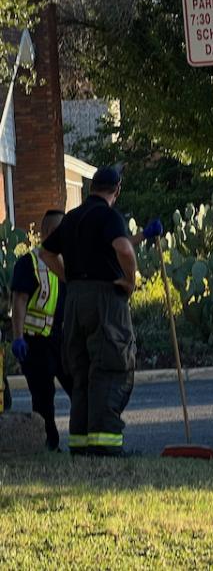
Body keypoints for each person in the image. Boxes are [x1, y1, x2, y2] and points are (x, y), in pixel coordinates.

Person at [38, 167, 163, 456]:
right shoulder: (109, 217)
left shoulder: (72, 218)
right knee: (109, 367)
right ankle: (106, 446)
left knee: (81, 372)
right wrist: (129, 281)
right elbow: (122, 249)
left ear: (91, 187)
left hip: (75, 302)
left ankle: (81, 444)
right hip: (106, 301)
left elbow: (46, 253)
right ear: (117, 189)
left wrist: (68, 279)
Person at [11, 210, 73, 450]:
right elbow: (19, 299)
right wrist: (18, 338)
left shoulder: (65, 262)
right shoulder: (29, 263)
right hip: (34, 342)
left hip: (60, 339)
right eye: (62, 232)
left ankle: (83, 440)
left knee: (78, 388)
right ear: (49, 232)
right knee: (44, 397)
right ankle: (49, 445)